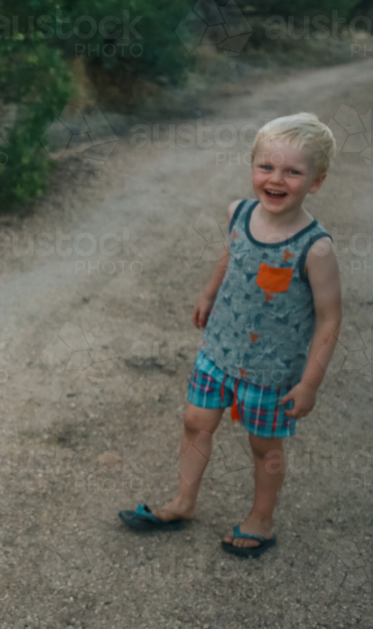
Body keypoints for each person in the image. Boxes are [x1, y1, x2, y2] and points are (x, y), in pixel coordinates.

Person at [119, 112, 343, 557]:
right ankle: (183, 502)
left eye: (292, 172)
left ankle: (261, 519)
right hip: (218, 351)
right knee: (195, 422)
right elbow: (230, 255)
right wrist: (208, 294)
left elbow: (330, 318)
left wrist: (310, 383)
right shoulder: (238, 213)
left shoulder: (315, 248)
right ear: (253, 167)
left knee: (263, 447)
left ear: (315, 182)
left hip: (271, 371)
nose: (276, 179)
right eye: (266, 167)